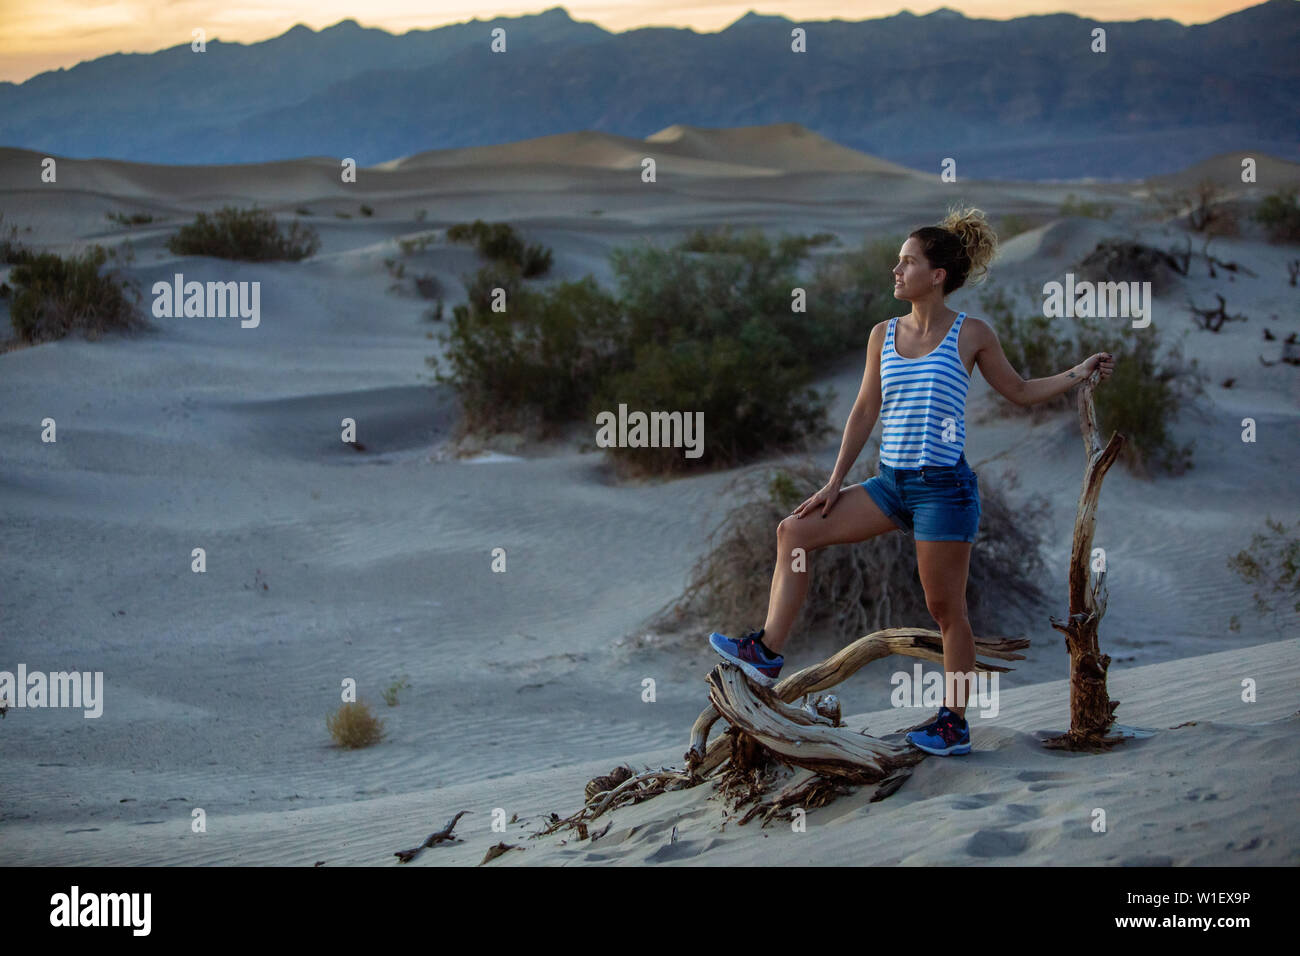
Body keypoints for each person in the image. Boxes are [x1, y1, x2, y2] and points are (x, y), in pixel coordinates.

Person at [709, 205, 1115, 756]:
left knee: (946, 610)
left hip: (943, 490)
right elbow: (862, 411)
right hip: (889, 485)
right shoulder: (883, 334)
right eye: (898, 263)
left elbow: (1018, 391)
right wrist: (834, 482)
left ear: (938, 275)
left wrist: (1078, 373)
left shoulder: (971, 333)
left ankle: (954, 722)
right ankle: (765, 652)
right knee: (793, 532)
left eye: (907, 262)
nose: (896, 271)